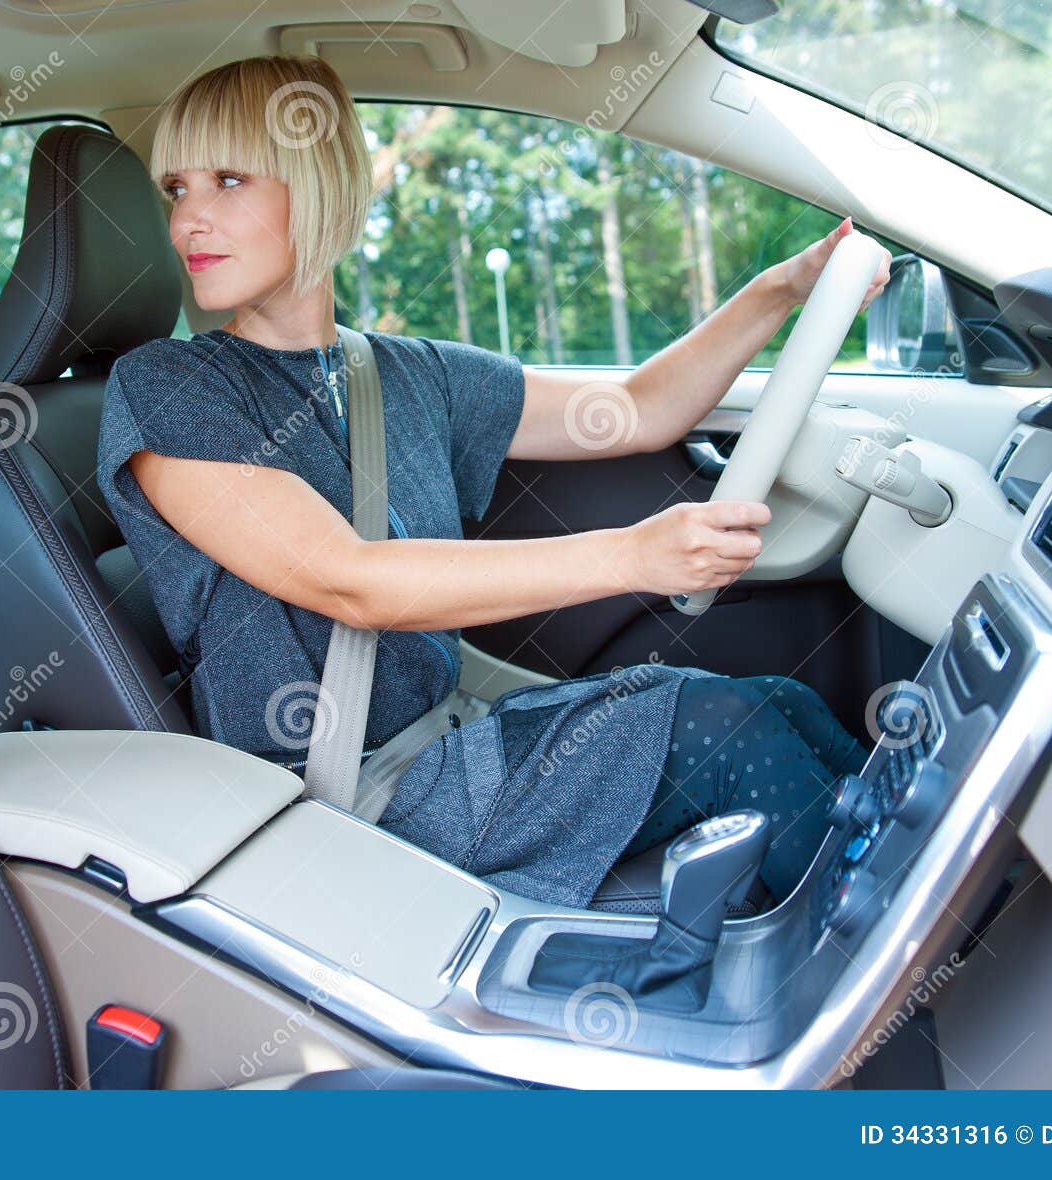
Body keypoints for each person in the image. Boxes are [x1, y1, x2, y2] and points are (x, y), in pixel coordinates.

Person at [96, 55, 889, 910]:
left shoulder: (409, 374)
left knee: (778, 700)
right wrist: (633, 556)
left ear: (318, 185)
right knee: (733, 733)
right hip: (346, 807)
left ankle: (931, 924)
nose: (188, 221)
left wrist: (782, 290)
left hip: (451, 746)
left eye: (227, 181)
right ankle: (911, 956)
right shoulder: (169, 388)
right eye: (177, 189)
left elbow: (636, 409)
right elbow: (349, 580)